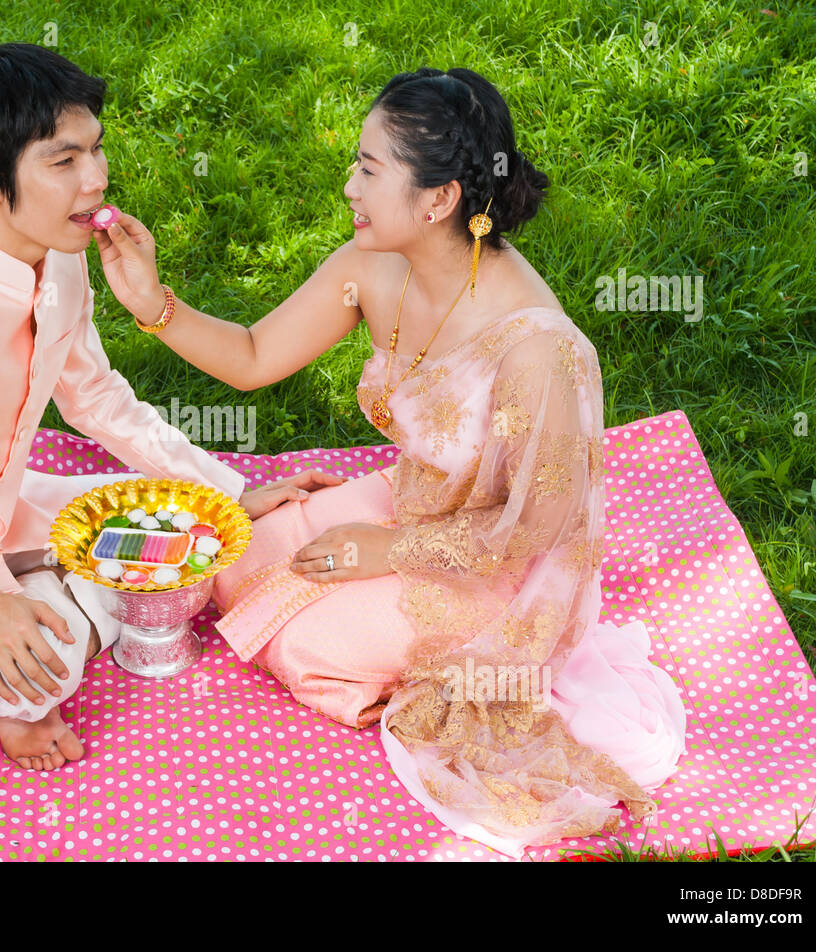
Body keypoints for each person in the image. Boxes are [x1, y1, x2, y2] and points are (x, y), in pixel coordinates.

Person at [91, 66, 687, 856]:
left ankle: (392, 659)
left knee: (307, 645)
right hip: (412, 503)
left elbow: (536, 530)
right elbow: (255, 354)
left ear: (438, 200)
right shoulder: (373, 267)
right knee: (238, 555)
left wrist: (384, 551)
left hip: (499, 571)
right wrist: (151, 304)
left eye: (369, 170)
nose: (349, 186)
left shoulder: (540, 352)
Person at [0, 44, 336, 774]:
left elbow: (97, 398)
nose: (97, 179)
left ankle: (52, 602)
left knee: (190, 526)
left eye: (97, 151)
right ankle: (45, 627)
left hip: (9, 511)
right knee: (51, 670)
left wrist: (227, 491)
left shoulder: (63, 259)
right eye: (64, 160)